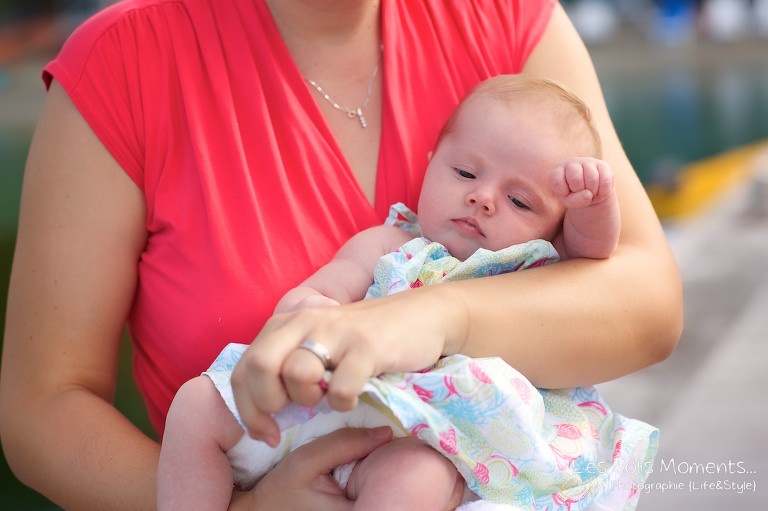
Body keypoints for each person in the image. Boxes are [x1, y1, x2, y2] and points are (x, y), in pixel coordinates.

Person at [0, 1, 682, 510]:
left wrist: (432, 317)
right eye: (468, 176)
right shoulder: (126, 61)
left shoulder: (505, 17)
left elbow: (646, 300)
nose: (482, 200)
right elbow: (43, 407)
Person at [158, 75, 657, 511]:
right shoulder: (392, 242)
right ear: (430, 163)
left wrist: (594, 203)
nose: (483, 197)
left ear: (553, 230)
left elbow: (594, 257)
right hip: (339, 402)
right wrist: (308, 308)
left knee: (414, 482)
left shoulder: (529, 268)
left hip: (443, 438)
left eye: (519, 200)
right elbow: (323, 289)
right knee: (196, 404)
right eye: (465, 173)